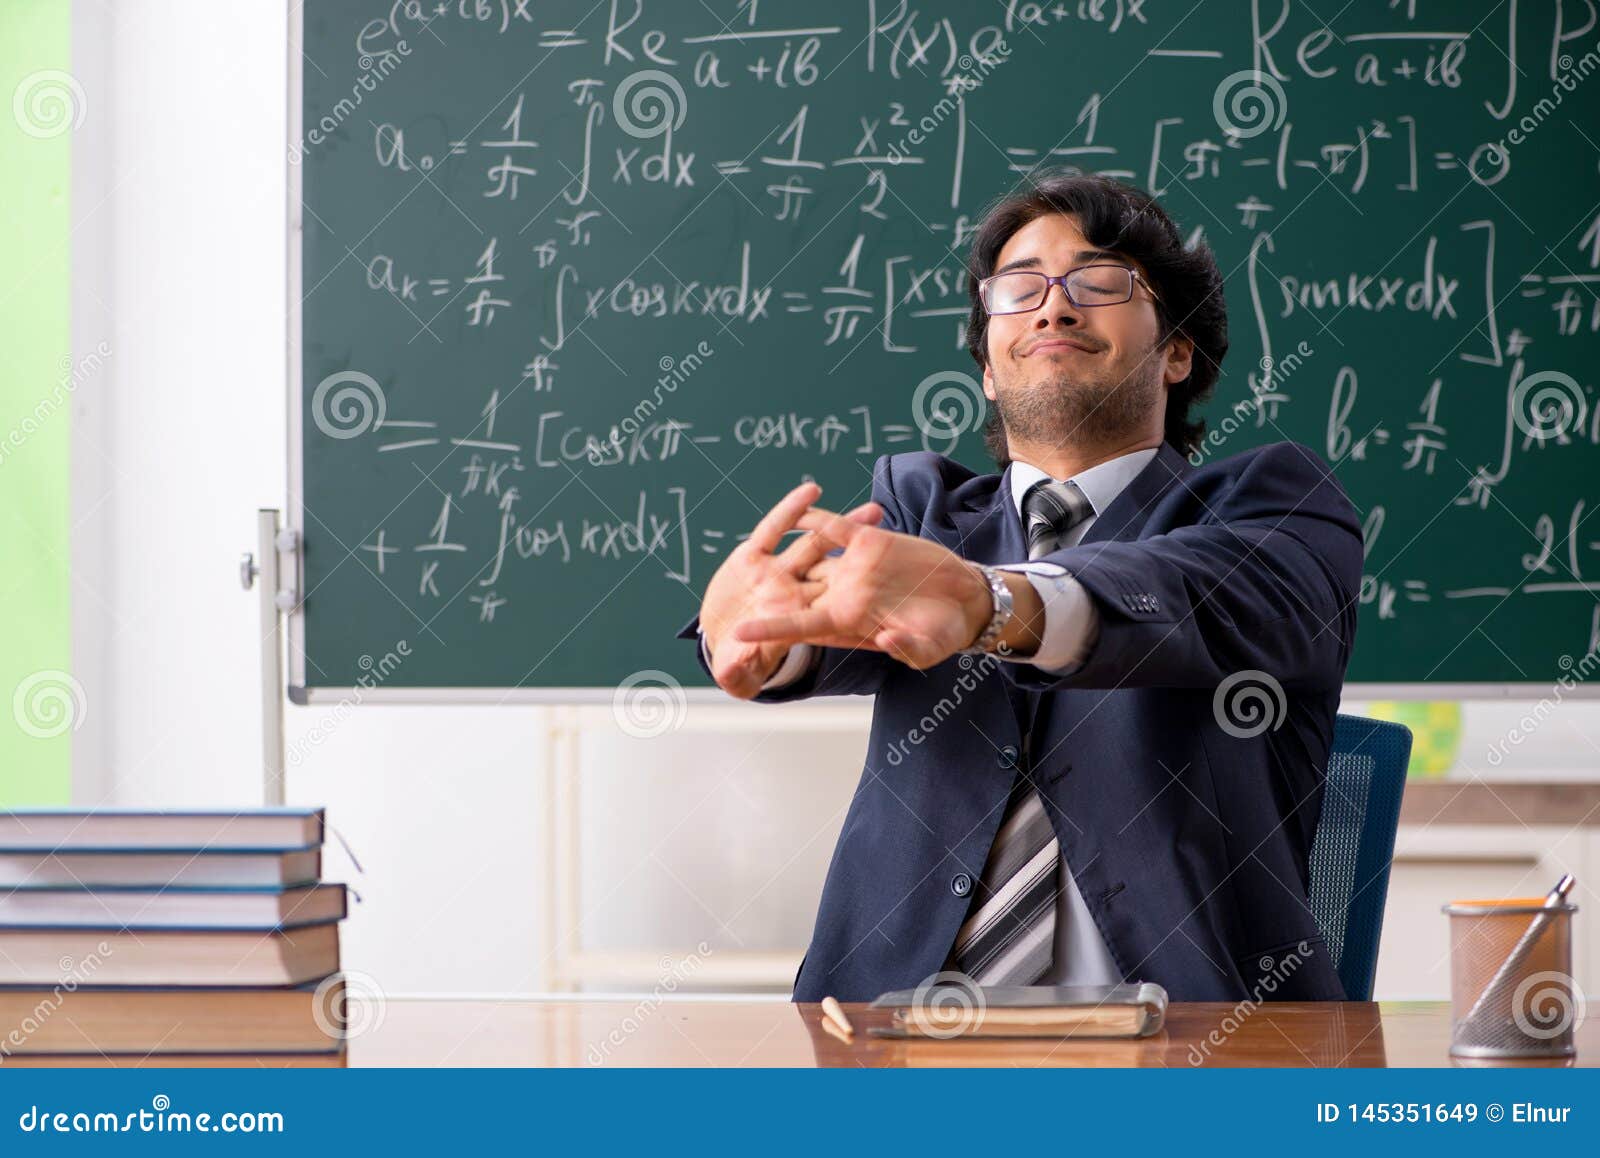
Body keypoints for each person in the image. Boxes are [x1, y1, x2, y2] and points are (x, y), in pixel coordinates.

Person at [677, 172, 1362, 1003]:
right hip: (890, 1054)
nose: (1054, 307)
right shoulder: (918, 511)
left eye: (1100, 282)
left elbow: (1195, 595)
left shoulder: (1273, 510)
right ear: (990, 371)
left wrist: (994, 604)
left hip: (1195, 1058)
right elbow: (833, 617)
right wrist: (758, 638)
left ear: (1178, 350)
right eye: (1019, 286)